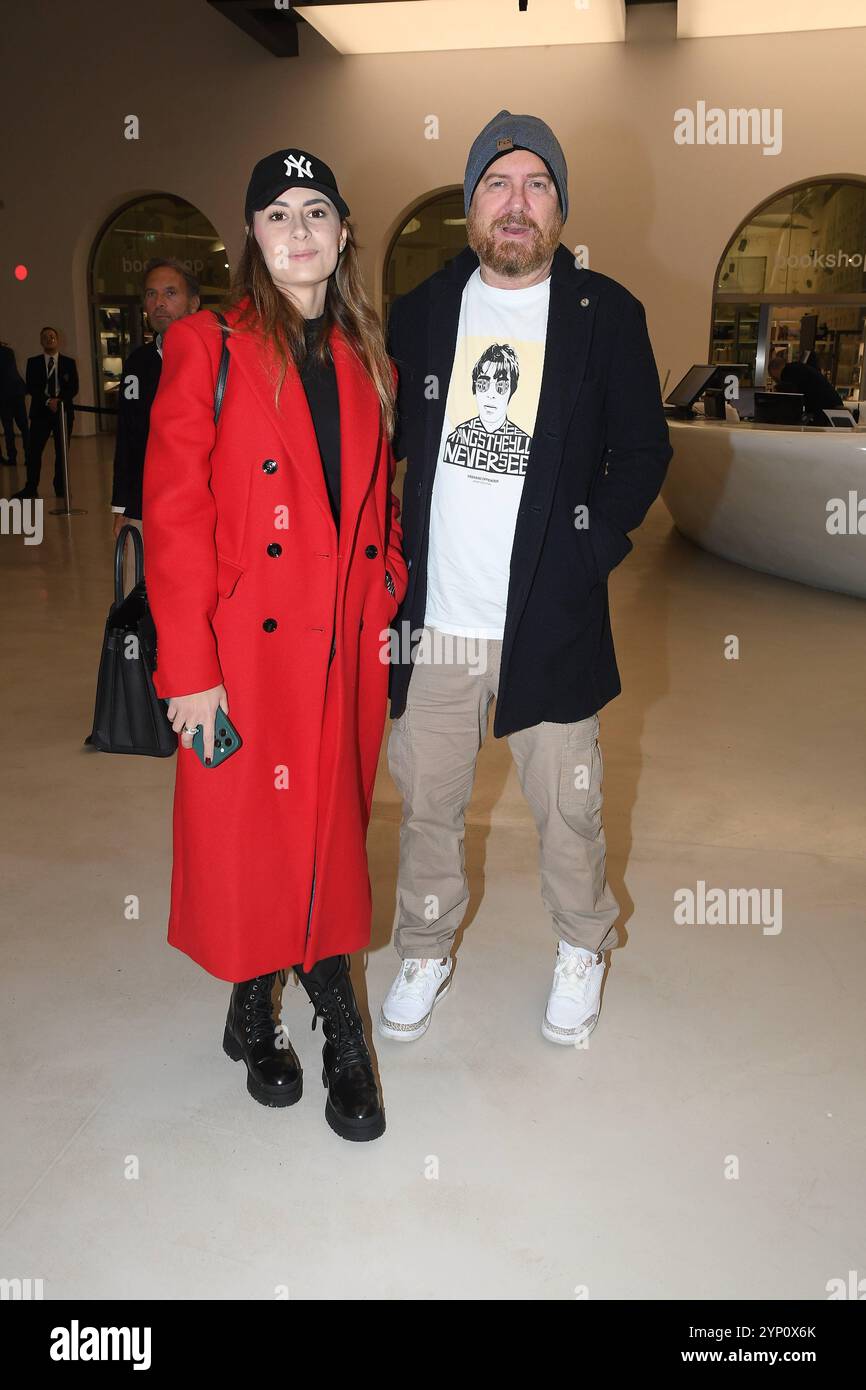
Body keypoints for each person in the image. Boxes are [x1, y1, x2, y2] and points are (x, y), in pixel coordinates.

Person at [379, 110, 672, 1048]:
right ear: (471, 206)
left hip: (548, 620)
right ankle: (424, 947)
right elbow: (384, 452)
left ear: (559, 210)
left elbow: (642, 452)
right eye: (497, 184)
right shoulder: (423, 312)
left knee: (570, 810)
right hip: (438, 622)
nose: (516, 203)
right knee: (427, 804)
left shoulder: (606, 315)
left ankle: (581, 947)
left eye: (536, 186)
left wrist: (585, 555)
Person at [142, 148, 407, 1142]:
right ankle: (336, 1029)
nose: (299, 231)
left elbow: (375, 506)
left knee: (322, 844)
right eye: (276, 214)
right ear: (250, 236)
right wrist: (190, 673)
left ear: (342, 234)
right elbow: (171, 518)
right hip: (244, 661)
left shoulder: (364, 357)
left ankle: (253, 1010)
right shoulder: (207, 346)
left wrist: (384, 597)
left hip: (337, 656)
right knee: (265, 848)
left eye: (317, 212)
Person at [111, 259, 201, 591]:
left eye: (170, 293)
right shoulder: (139, 363)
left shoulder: (221, 356)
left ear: (193, 302)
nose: (159, 302)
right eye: (151, 294)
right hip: (148, 501)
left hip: (205, 502)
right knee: (139, 590)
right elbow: (130, 438)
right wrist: (123, 506)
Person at [13, 327, 78, 500]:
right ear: (41, 341)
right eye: (45, 337)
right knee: (34, 452)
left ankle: (60, 487)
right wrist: (48, 401)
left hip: (63, 412)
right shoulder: (33, 362)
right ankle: (31, 487)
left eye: (52, 336)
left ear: (58, 339)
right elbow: (32, 387)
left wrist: (59, 401)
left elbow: (73, 387)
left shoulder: (69, 363)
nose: (49, 339)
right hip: (40, 413)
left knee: (62, 452)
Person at [767, 352, 843, 423]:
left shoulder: (787, 373)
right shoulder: (798, 367)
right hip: (833, 406)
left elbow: (791, 401)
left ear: (774, 371)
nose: (775, 380)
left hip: (825, 410)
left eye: (773, 377)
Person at [0, 338, 29, 468]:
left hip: (3, 395)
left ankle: (12, 458)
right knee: (23, 427)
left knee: (8, 428)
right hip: (17, 392)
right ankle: (29, 456)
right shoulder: (8, 351)